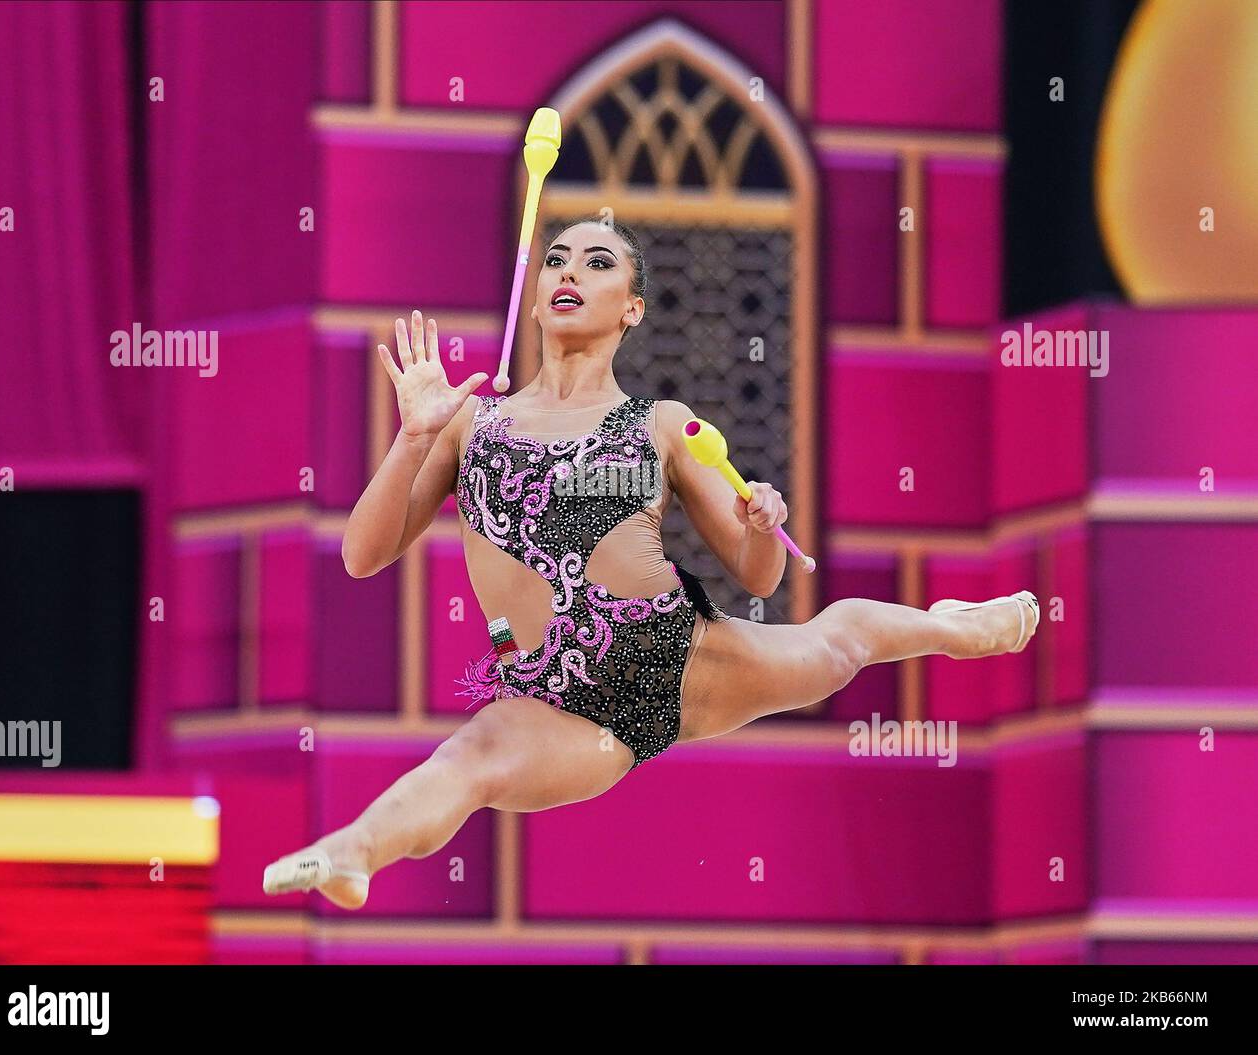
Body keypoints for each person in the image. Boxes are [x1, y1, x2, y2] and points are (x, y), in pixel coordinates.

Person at [263, 218, 1038, 909]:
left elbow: (760, 575)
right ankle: (351, 852)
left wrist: (763, 520)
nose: (569, 273)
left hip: (675, 655)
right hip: (554, 701)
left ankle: (951, 627)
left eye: (598, 264)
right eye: (556, 260)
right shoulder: (473, 419)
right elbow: (364, 554)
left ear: (632, 309)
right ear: (532, 298)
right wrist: (414, 437)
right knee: (469, 761)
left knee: (838, 645)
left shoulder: (662, 424)